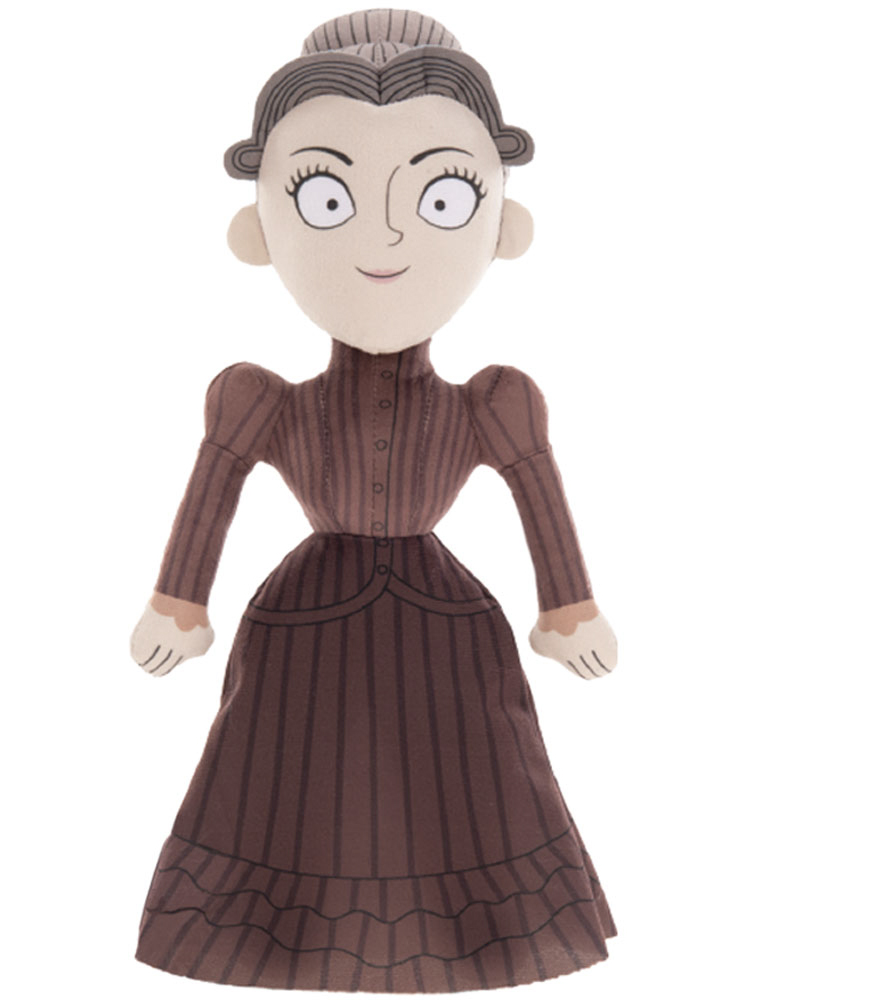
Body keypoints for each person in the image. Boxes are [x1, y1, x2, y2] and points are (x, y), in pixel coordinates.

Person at [130, 9, 618, 992]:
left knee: (468, 779)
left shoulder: (495, 403)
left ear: (502, 226)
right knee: (288, 780)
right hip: (301, 630)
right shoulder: (258, 400)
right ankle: (287, 941)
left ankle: (463, 940)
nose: (386, 235)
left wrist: (569, 608)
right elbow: (211, 489)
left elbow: (539, 498)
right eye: (326, 197)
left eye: (441, 197)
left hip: (447, 631)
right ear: (257, 230)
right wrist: (177, 602)